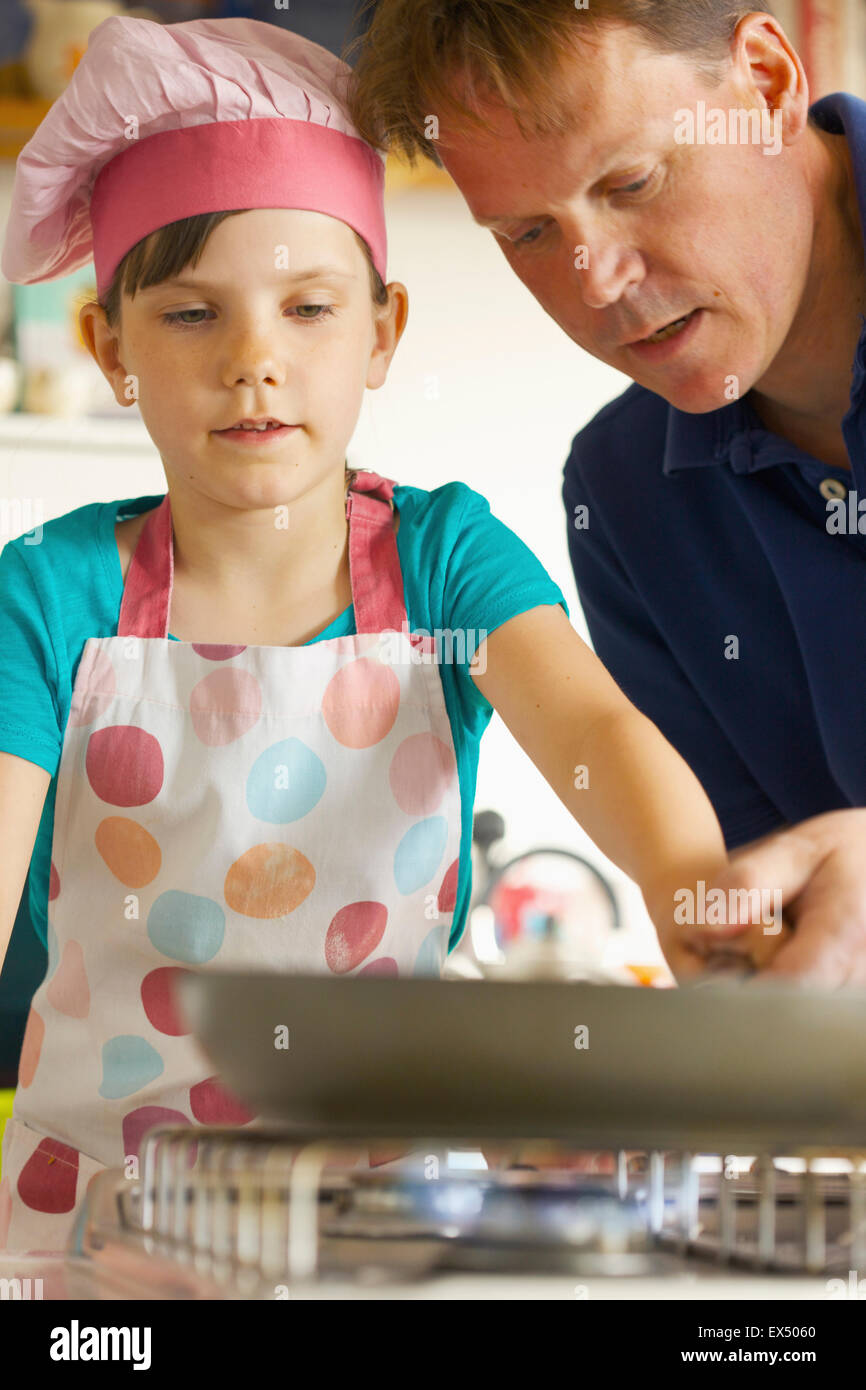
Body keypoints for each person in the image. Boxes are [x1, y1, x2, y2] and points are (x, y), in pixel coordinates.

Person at [0, 14, 752, 1249]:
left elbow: (591, 732)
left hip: (381, 1201)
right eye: (191, 315)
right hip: (96, 1209)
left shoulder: (444, 559)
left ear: (381, 333)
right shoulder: (49, 589)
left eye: (307, 308)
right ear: (108, 346)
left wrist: (694, 894)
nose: (255, 361)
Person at [346, 0, 866, 987]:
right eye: (528, 231)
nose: (594, 283)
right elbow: (788, 952)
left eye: (629, 180)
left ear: (763, 81)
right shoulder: (627, 503)